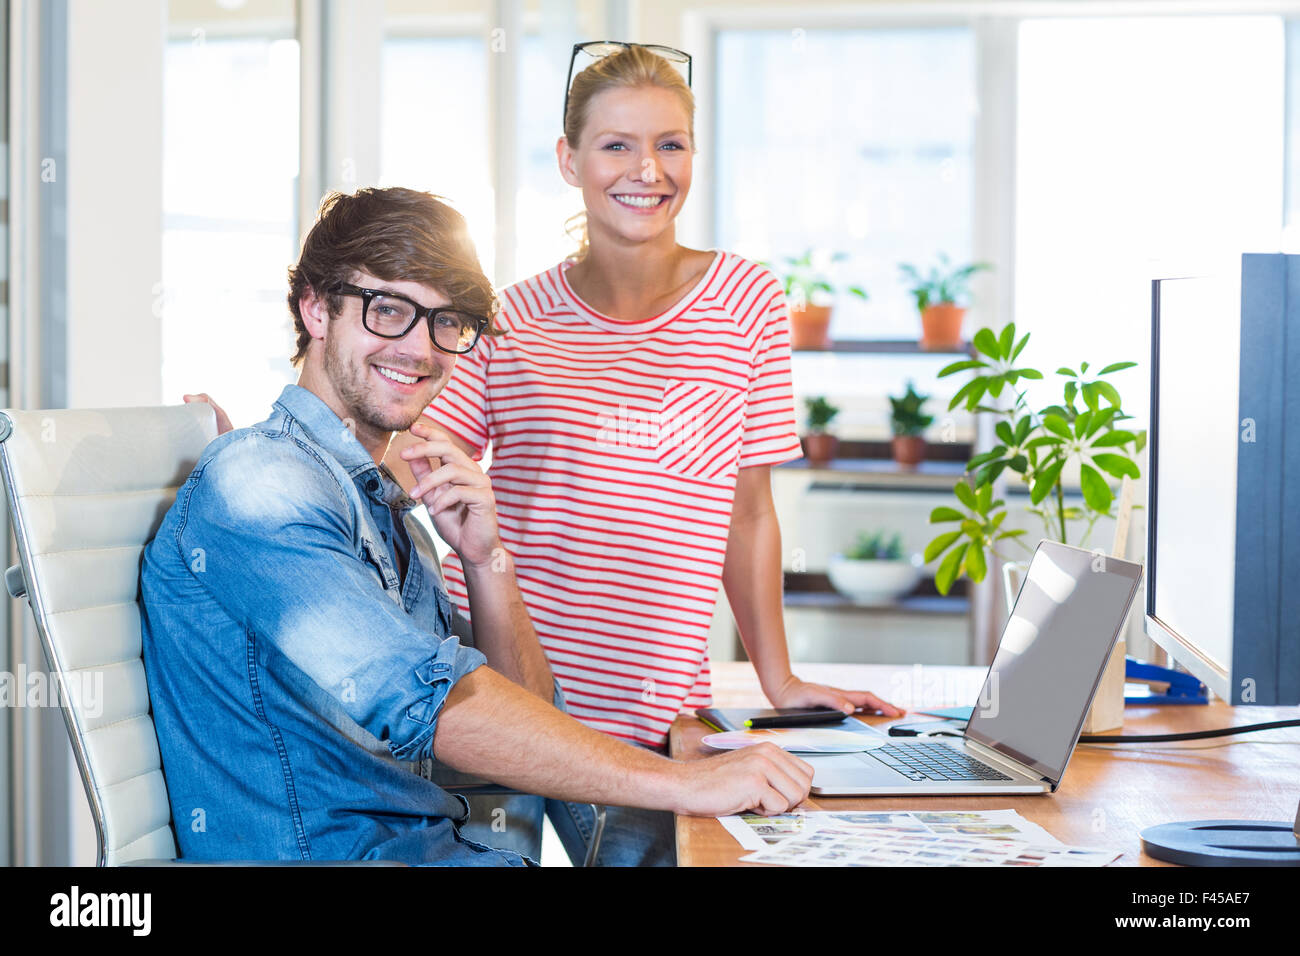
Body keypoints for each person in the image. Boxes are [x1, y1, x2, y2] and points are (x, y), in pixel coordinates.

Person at [143, 186, 815, 865]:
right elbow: (429, 711)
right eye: (389, 310)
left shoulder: (380, 507)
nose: (420, 349)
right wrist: (683, 783)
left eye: (445, 322)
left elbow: (526, 709)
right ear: (316, 309)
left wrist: (487, 559)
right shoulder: (263, 481)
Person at [382, 43, 903, 866]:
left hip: (651, 721)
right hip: (503, 698)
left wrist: (780, 679)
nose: (647, 169)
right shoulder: (511, 318)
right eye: (616, 145)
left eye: (670, 143)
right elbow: (414, 447)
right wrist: (286, 435)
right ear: (570, 159)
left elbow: (749, 511)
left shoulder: (747, 302)